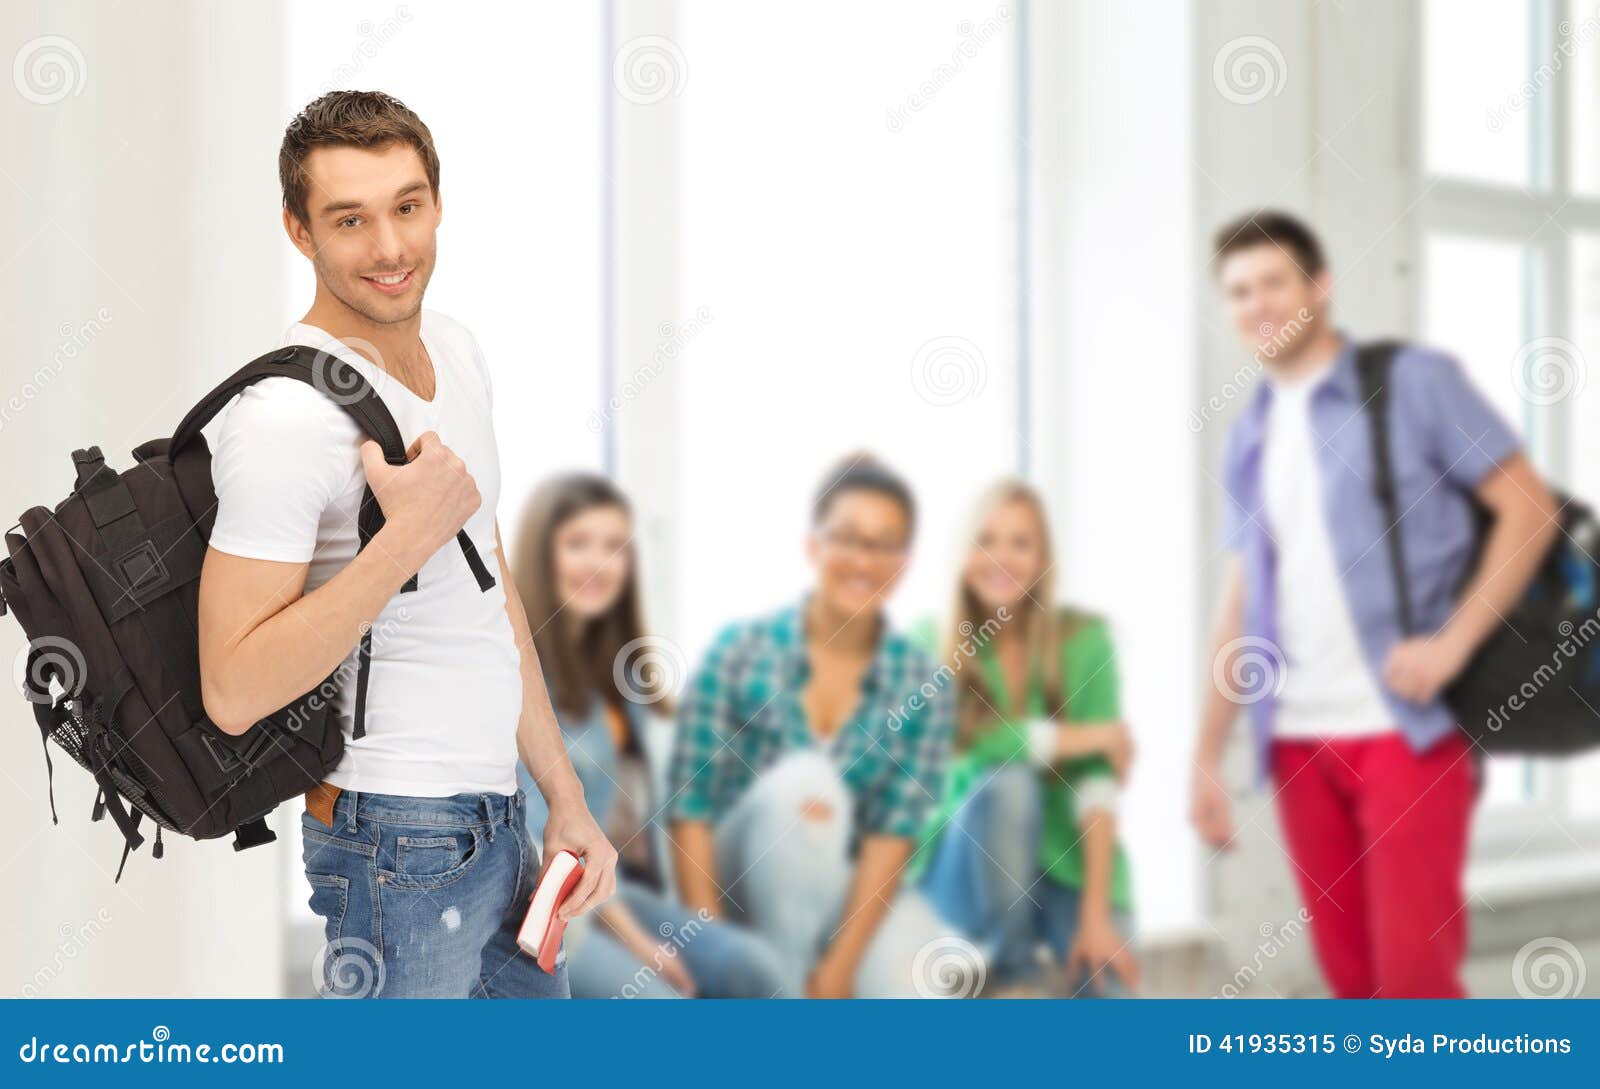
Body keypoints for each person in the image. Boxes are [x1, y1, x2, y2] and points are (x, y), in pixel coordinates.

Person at [196, 91, 616, 998]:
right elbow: (232, 689)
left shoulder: (458, 352)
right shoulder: (285, 418)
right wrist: (402, 542)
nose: (389, 247)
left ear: (436, 203)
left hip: (500, 816)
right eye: (350, 219)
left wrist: (562, 794)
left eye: (407, 206)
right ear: (299, 232)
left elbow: (487, 593)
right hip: (390, 837)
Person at [1189, 210, 1560, 998]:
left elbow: (1530, 509)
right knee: (1351, 984)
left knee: (1414, 986)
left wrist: (1451, 646)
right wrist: (1205, 755)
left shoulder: (1414, 383)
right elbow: (1241, 603)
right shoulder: (1250, 430)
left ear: (1319, 287)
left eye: (1274, 281)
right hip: (1294, 740)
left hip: (1406, 731)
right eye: (1238, 290)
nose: (1256, 302)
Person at [666, 455, 963, 998]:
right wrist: (712, 952)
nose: (862, 561)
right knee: (807, 785)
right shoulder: (740, 651)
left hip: (845, 894)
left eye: (884, 544)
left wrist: (839, 970)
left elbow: (890, 837)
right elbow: (690, 810)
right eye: (847, 538)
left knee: (923, 984)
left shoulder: (925, 686)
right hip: (737, 886)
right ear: (814, 545)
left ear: (902, 563)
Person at [510, 473, 790, 997]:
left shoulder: (619, 679)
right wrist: (642, 947)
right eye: (578, 544)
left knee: (753, 969)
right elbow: (553, 844)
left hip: (615, 895)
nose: (600, 563)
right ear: (541, 556)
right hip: (553, 904)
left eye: (614, 546)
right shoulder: (523, 680)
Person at [911, 480, 1139, 995]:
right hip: (963, 869)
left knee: (1115, 992)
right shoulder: (929, 642)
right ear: (963, 553)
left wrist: (1096, 913)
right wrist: (1082, 736)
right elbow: (974, 745)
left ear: (1042, 557)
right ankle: (1009, 965)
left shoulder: (1084, 638)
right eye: (986, 540)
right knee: (1010, 785)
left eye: (1021, 542)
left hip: (1062, 862)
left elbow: (1098, 781)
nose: (1002, 558)